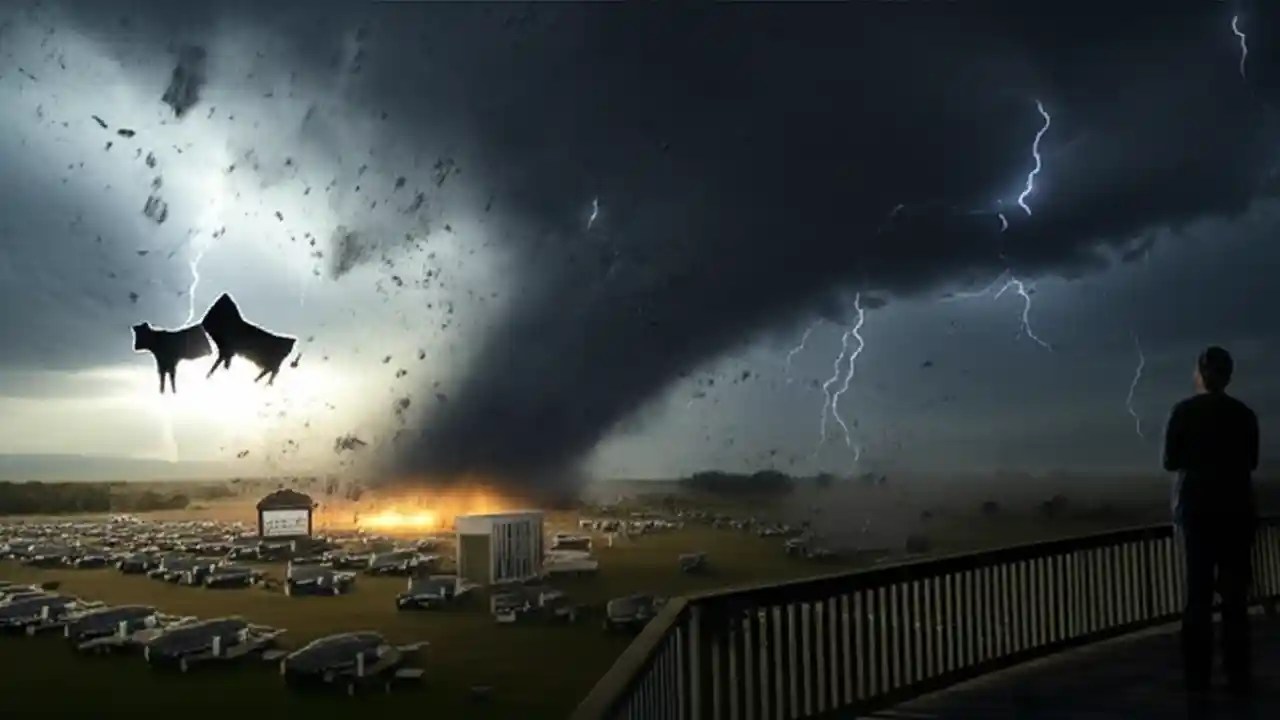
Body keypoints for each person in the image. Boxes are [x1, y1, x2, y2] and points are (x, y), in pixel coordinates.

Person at [1162, 346, 1259, 694]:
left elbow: (1170, 461)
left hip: (1197, 514)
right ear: (1229, 376)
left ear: (1201, 374)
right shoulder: (1244, 414)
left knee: (1198, 598)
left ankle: (1197, 678)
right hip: (1237, 513)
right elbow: (1251, 461)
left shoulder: (1183, 412)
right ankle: (1238, 675)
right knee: (1235, 599)